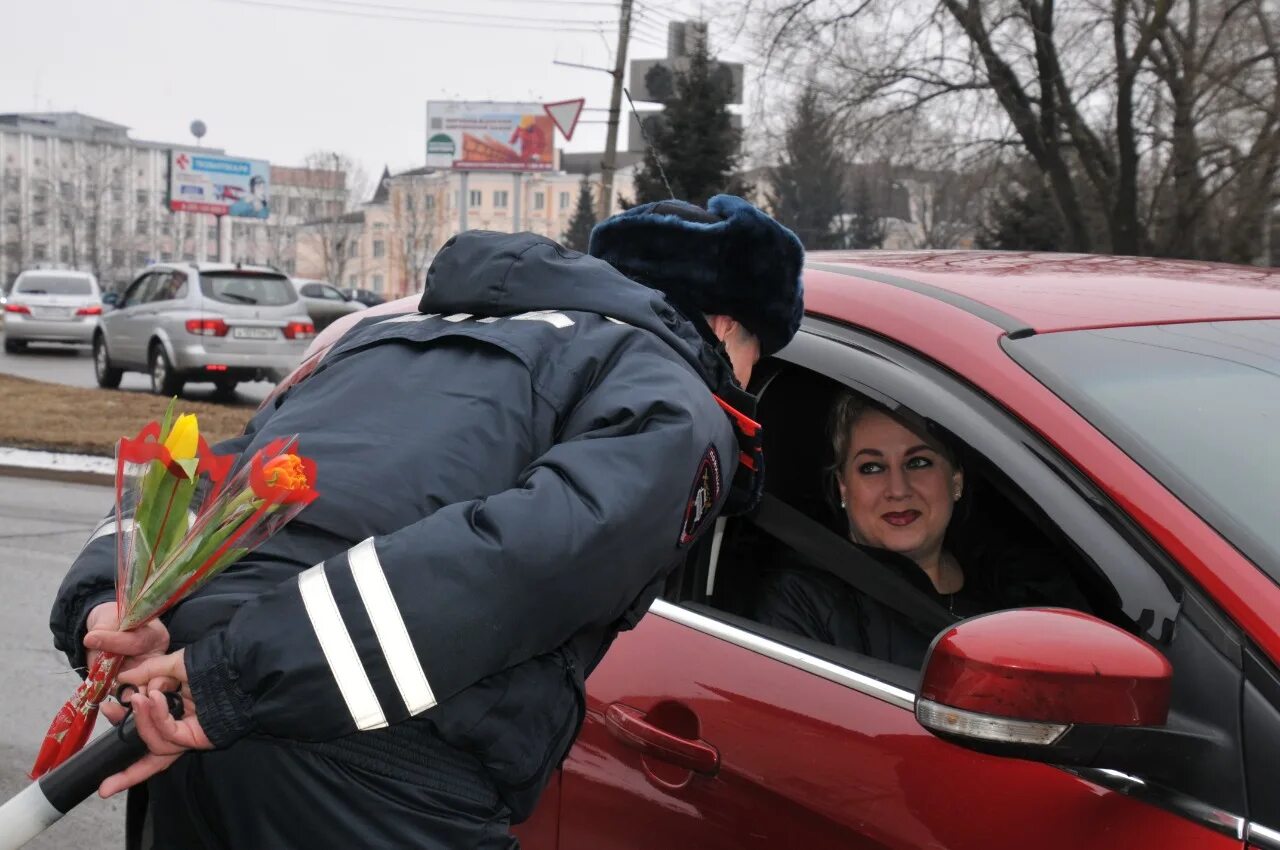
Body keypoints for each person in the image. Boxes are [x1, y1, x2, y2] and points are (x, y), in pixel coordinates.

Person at [49, 193, 804, 848]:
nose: (745, 384)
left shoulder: (379, 339)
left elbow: (199, 470)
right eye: (755, 362)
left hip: (188, 722)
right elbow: (530, 563)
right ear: (729, 327)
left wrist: (112, 604)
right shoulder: (674, 389)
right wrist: (234, 679)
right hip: (362, 765)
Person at [753, 392, 1089, 667]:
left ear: (955, 480)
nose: (898, 489)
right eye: (872, 468)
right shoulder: (802, 599)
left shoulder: (1026, 585)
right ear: (843, 488)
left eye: (918, 462)